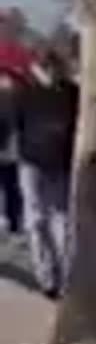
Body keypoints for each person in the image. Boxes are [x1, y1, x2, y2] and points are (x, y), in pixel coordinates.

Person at [15, 52, 78, 297]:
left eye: (52, 67)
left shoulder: (72, 93)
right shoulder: (25, 95)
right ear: (34, 69)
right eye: (43, 68)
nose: (49, 73)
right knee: (35, 221)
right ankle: (46, 278)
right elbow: (16, 125)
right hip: (31, 164)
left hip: (61, 165)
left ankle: (66, 278)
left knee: (61, 222)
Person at [0, 69, 24, 234]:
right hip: (10, 150)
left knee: (11, 187)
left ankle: (13, 220)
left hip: (11, 150)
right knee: (11, 187)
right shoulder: (15, 97)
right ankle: (12, 220)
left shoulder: (16, 99)